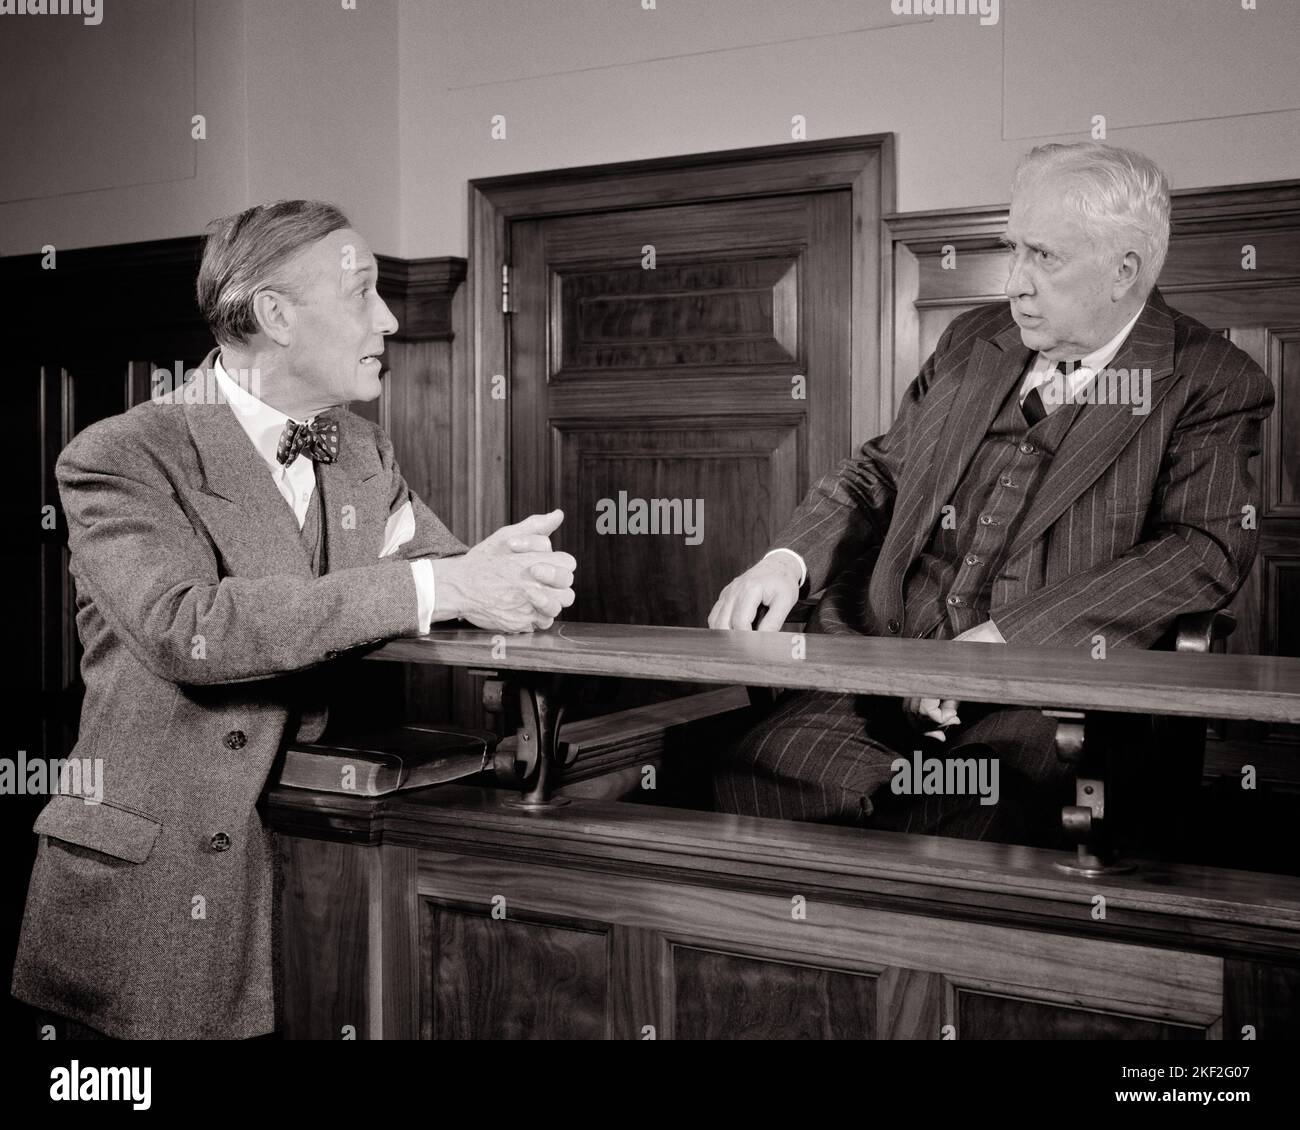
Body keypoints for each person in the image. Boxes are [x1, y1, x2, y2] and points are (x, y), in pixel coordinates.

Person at [12, 200, 576, 1039]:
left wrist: (509, 574)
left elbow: (437, 574)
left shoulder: (360, 447)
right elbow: (190, 627)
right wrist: (446, 585)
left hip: (316, 872)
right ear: (275, 315)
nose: (388, 319)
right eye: (362, 294)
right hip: (154, 892)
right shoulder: (121, 453)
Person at [709, 142, 1273, 844]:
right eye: (1014, 250)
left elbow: (1201, 552)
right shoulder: (975, 339)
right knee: (757, 774)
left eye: (1044, 257)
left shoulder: (1211, 377)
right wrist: (786, 561)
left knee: (983, 817)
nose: (1015, 283)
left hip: (1050, 697)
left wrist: (998, 647)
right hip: (890, 668)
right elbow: (881, 472)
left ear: (1123, 270)